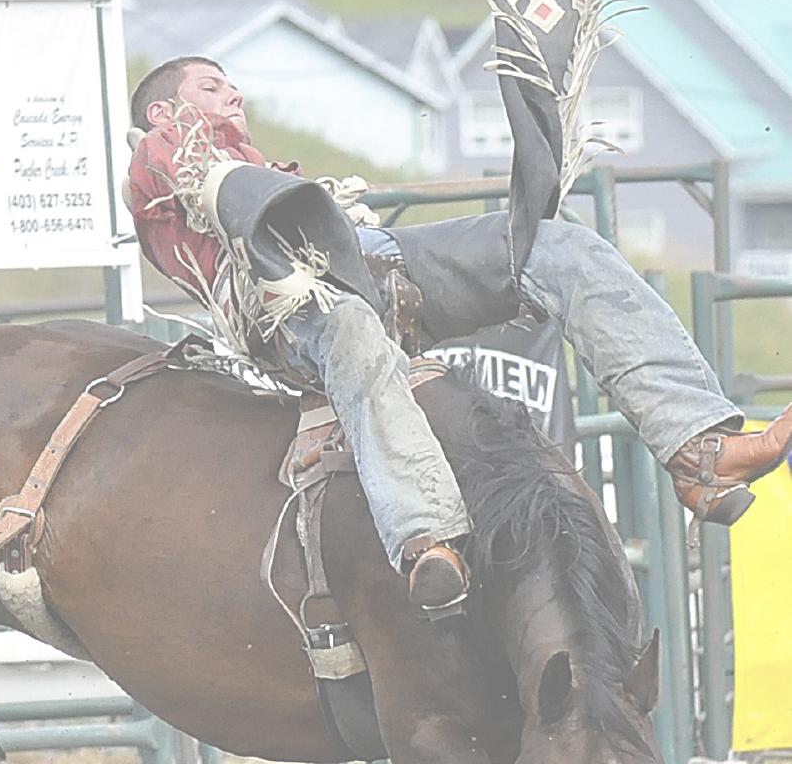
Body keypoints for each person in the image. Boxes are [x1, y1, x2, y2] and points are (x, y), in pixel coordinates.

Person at [126, 58, 792, 618]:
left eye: (232, 87)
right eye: (211, 88)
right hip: (289, 308)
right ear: (165, 113)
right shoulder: (159, 160)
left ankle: (700, 451)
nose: (233, 94)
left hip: (374, 258)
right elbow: (210, 190)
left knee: (554, 249)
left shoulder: (251, 165)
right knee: (351, 328)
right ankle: (427, 537)